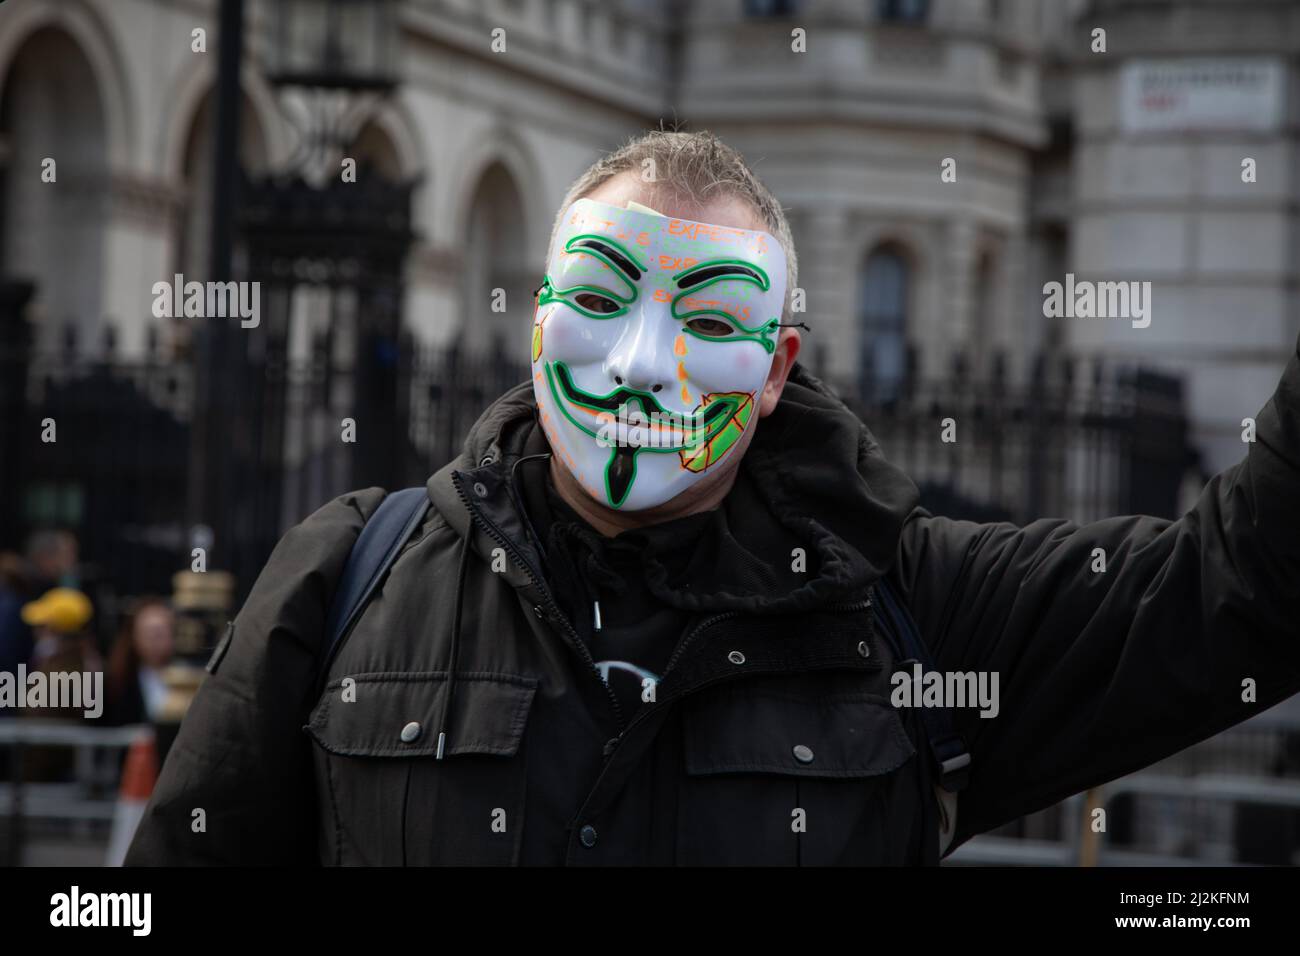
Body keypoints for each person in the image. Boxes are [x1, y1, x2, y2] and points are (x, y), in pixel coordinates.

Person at [128, 130, 1300, 866]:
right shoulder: (351, 577)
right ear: (538, 321)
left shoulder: (915, 613)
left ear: (780, 365)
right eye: (601, 297)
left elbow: (1242, 584)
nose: (642, 362)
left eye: (707, 319)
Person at [105, 598, 175, 726]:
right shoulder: (119, 681)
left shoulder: (187, 677)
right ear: (134, 636)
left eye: (159, 634)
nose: (154, 642)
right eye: (148, 634)